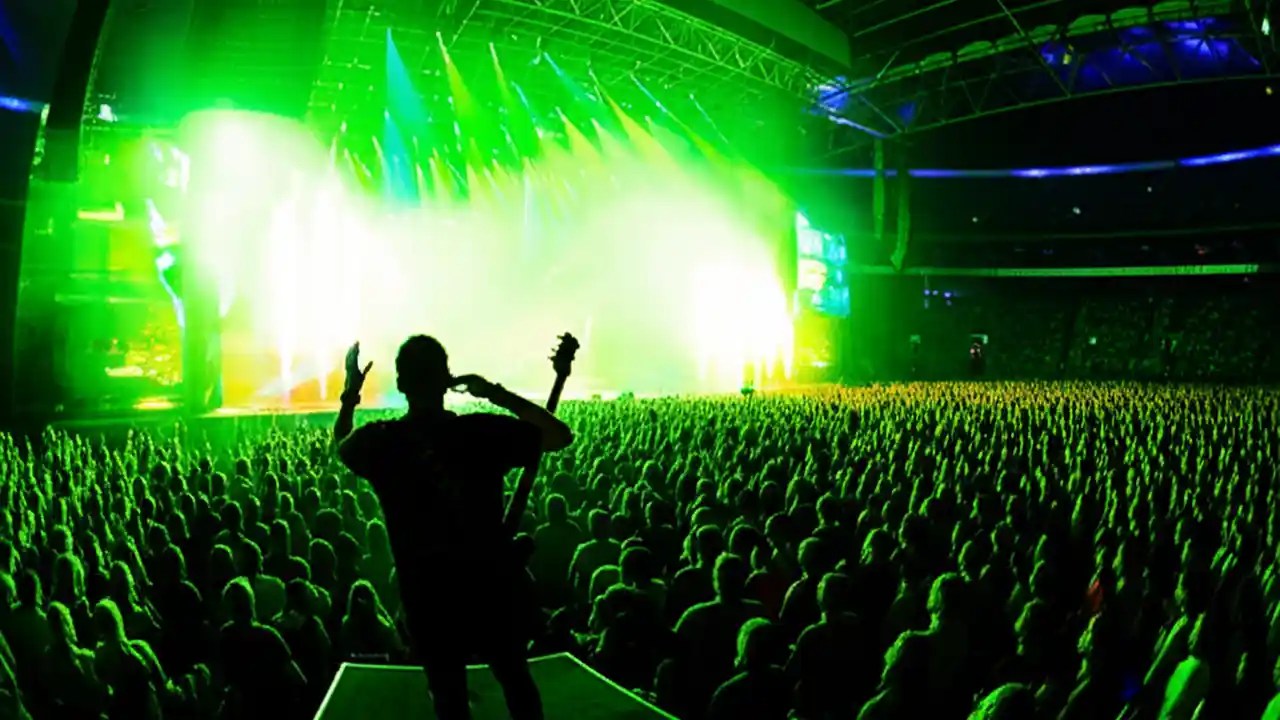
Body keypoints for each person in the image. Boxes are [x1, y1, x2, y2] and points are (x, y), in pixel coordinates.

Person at [333, 337, 573, 720]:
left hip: (427, 600)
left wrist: (350, 391)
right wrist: (493, 392)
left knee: (448, 701)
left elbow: (340, 444)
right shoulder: (481, 433)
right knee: (517, 684)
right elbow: (559, 435)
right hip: (489, 588)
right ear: (447, 380)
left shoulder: (382, 442)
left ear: (401, 383)